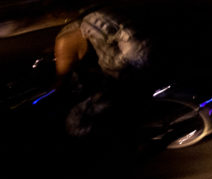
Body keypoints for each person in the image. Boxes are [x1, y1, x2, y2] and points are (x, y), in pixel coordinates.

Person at [53, 9, 150, 138]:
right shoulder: (91, 19)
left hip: (116, 80)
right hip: (134, 62)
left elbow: (62, 78)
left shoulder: (64, 41)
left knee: (75, 125)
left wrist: (55, 96)